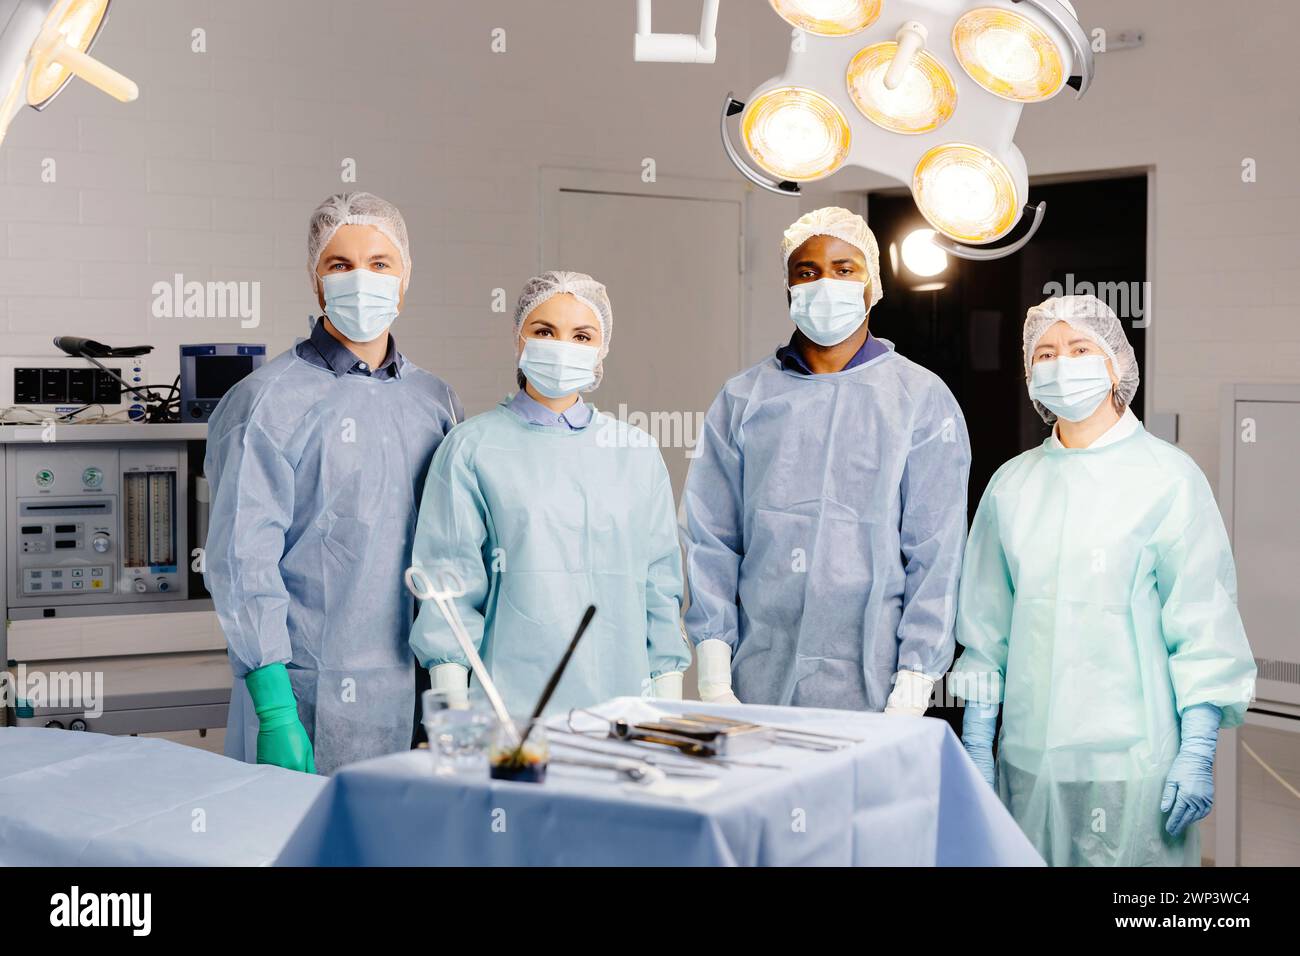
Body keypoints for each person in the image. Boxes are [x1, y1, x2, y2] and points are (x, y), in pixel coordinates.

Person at [949, 294, 1256, 866]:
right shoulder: (1013, 486)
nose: (1061, 364)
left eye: (1079, 348)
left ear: (1114, 364)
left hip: (1133, 764)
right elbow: (986, 631)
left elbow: (1202, 624)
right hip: (1030, 760)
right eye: (1044, 353)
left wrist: (1199, 747)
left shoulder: (1168, 478)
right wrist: (977, 739)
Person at [205, 192, 463, 775]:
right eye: (340, 265)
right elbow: (241, 564)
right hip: (304, 693)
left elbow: (453, 554)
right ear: (315, 280)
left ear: (405, 279)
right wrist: (274, 711)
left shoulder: (436, 402)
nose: (361, 279)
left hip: (417, 693)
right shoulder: (264, 403)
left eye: (380, 264)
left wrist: (452, 690)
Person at [680, 207, 970, 713]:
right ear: (788, 286)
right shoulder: (744, 399)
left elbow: (936, 550)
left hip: (875, 678)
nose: (825, 283)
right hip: (758, 676)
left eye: (844, 269)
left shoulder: (919, 398)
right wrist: (712, 677)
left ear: (872, 284)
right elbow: (712, 538)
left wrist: (914, 684)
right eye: (807, 271)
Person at [409, 270, 690, 713]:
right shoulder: (472, 448)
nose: (562, 347)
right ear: (519, 340)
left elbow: (659, 584)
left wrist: (669, 703)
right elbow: (450, 587)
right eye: (545, 331)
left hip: (624, 708)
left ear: (601, 351)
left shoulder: (635, 451)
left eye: (582, 335)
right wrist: (452, 711)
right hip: (508, 713)